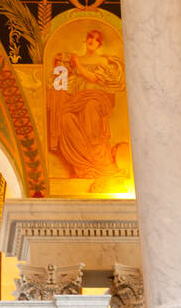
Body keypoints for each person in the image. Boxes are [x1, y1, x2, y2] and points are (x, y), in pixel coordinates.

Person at [47, 28, 126, 189]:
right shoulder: (76, 59)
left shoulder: (101, 61)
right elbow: (66, 83)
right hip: (77, 100)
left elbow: (93, 78)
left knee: (91, 107)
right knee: (65, 119)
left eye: (96, 39)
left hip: (97, 98)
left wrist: (77, 65)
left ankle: (101, 161)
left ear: (99, 44)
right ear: (86, 39)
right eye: (90, 36)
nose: (92, 40)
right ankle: (84, 163)